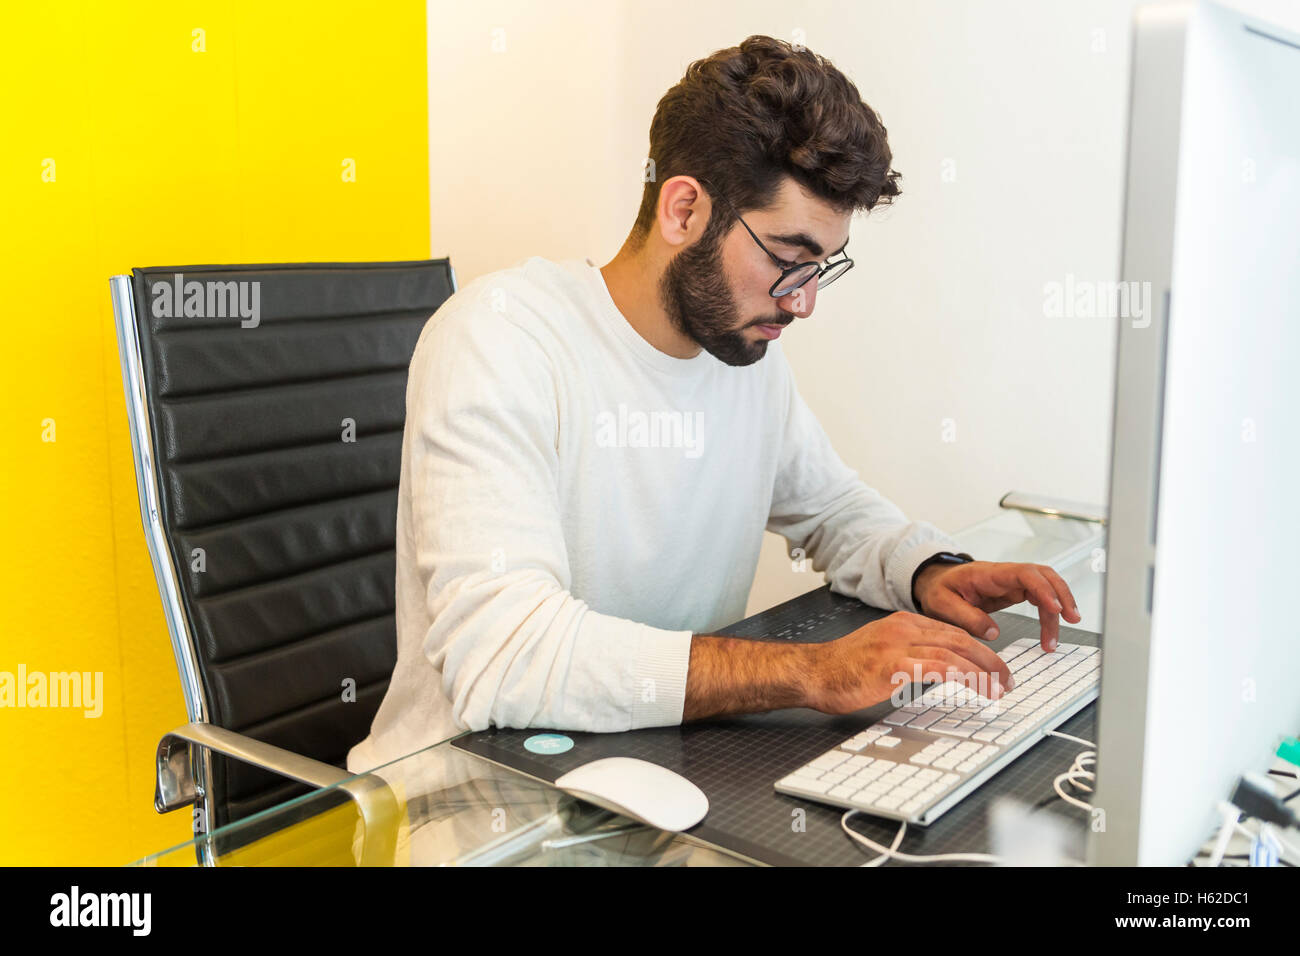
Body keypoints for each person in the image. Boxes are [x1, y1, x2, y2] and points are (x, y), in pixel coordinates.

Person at [346, 35, 1079, 775]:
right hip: (465, 801)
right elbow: (508, 655)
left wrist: (929, 569)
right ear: (684, 209)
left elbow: (830, 512)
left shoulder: (742, 350)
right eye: (790, 259)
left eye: (823, 267)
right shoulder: (500, 339)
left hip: (656, 774)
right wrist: (810, 671)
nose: (805, 302)